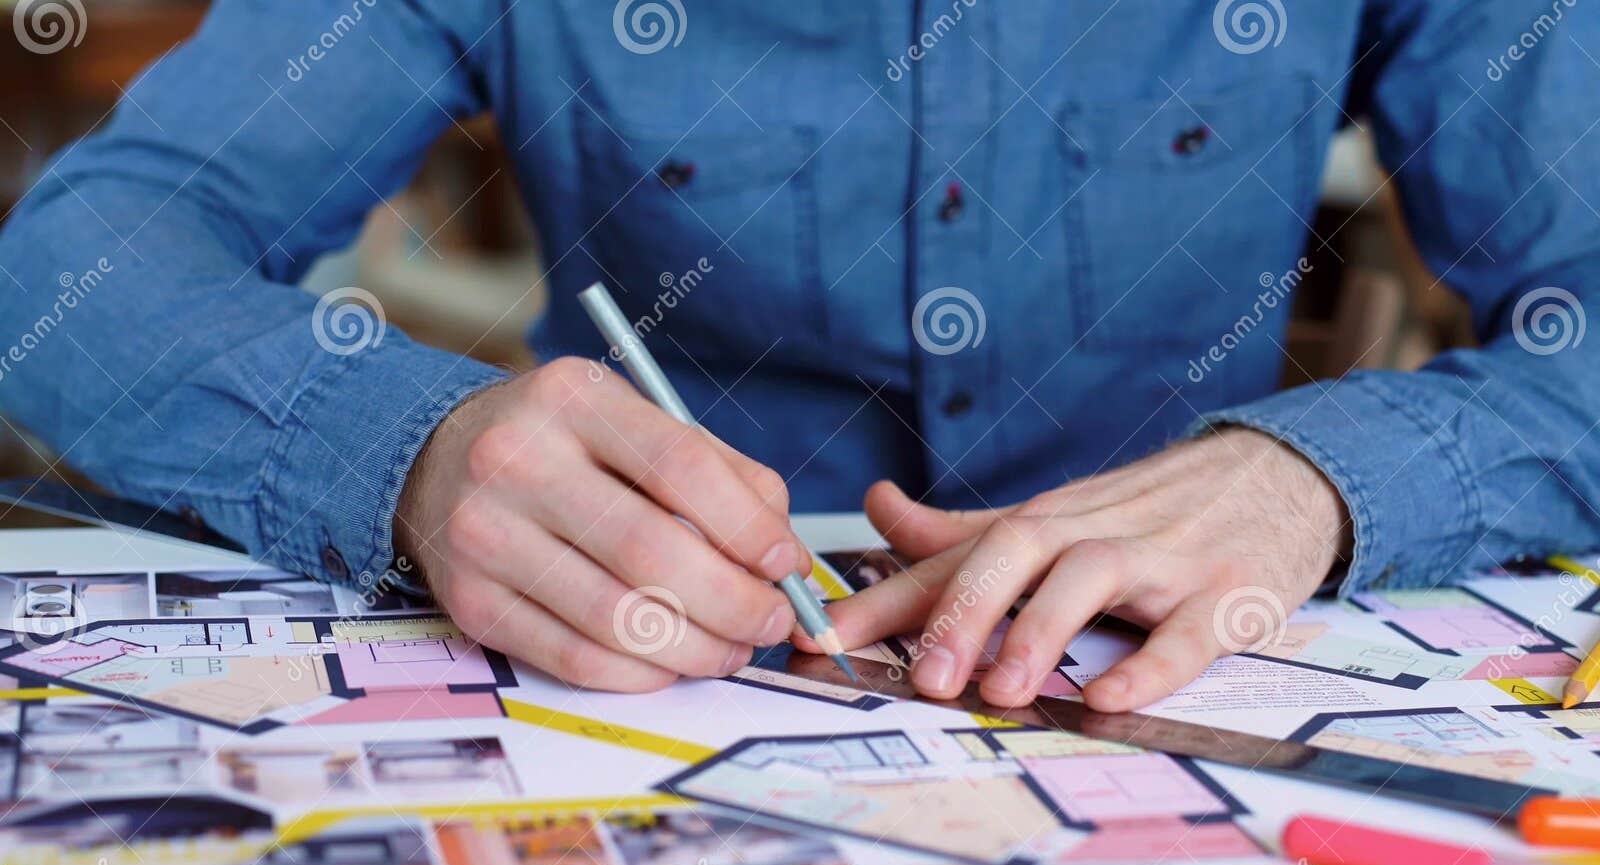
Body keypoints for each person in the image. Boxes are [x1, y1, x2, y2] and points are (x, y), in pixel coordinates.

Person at [2, 1, 1595, 713]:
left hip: (1198, 698)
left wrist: (1313, 476)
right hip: (641, 682)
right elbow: (73, 262)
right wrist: (399, 446)